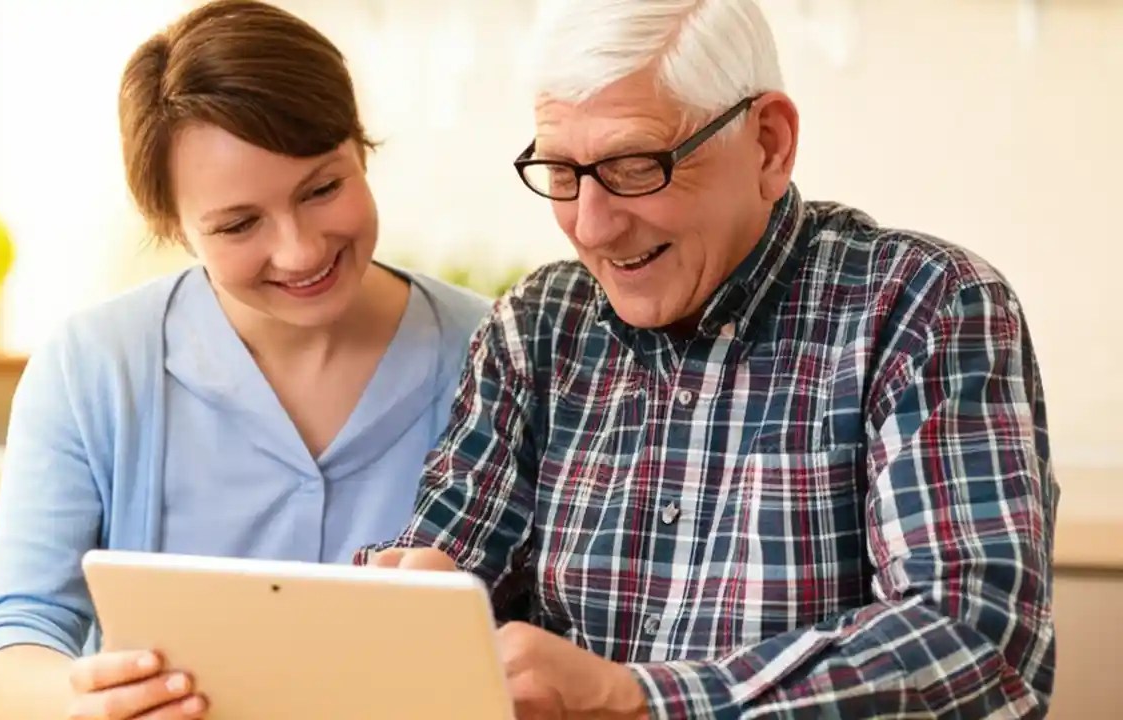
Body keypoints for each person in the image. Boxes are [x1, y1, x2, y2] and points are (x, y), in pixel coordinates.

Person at [364, 0, 1060, 717]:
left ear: (768, 143)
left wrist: (637, 700)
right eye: (563, 173)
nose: (593, 226)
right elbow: (448, 565)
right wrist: (422, 600)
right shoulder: (538, 327)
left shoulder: (923, 307)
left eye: (635, 167)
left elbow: (976, 648)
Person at [0, 1, 489, 718]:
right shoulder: (93, 366)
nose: (301, 250)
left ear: (360, 150)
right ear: (174, 229)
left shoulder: (497, 353)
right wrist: (76, 701)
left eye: (324, 188)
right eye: (239, 224)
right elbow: (13, 638)